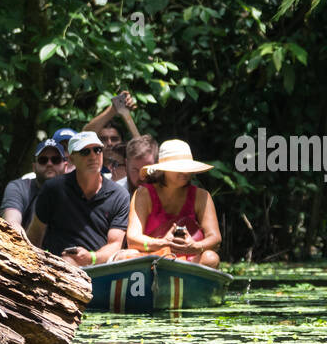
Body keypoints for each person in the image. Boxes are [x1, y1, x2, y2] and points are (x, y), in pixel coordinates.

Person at [26, 132, 130, 267]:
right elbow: (35, 234)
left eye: (97, 150)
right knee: (68, 262)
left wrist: (91, 258)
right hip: (59, 269)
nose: (93, 156)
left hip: (102, 270)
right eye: (85, 152)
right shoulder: (53, 189)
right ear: (72, 159)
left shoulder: (119, 195)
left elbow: (115, 245)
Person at [123, 139, 221, 267]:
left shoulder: (202, 196)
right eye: (179, 167)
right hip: (153, 260)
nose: (185, 172)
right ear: (164, 170)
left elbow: (215, 238)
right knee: (126, 255)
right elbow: (132, 239)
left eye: (187, 167)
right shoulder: (143, 194)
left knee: (211, 257)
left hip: (191, 262)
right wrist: (163, 243)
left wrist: (196, 246)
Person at [0, 138, 65, 232]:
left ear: (66, 166)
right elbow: (12, 223)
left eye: (56, 160)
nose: (49, 164)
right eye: (43, 160)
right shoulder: (18, 187)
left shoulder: (75, 190)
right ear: (34, 167)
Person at [86, 92, 139, 182]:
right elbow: (85, 135)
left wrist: (124, 112)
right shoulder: (89, 168)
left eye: (114, 139)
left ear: (122, 141)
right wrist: (114, 109)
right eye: (103, 139)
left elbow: (143, 149)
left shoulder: (132, 169)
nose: (109, 143)